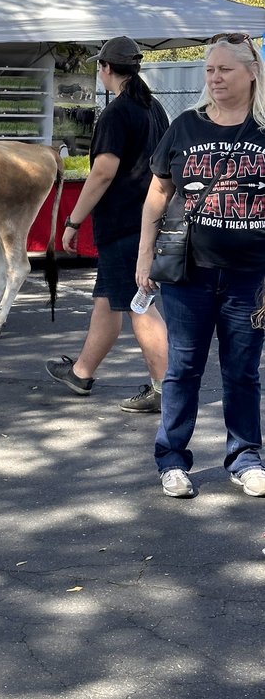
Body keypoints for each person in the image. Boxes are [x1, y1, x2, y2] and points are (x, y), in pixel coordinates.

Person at [136, 33, 265, 498]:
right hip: (189, 272)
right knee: (183, 368)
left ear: (252, 72)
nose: (215, 79)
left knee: (243, 371)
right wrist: (144, 254)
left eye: (225, 70)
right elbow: (158, 192)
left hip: (252, 275)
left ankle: (245, 457)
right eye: (210, 71)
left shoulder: (264, 130)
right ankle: (171, 459)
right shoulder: (186, 127)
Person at [45, 36, 169, 411]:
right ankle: (81, 373)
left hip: (123, 224)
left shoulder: (117, 113)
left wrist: (72, 220)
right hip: (146, 219)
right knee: (109, 300)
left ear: (107, 69)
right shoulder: (155, 109)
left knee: (138, 303)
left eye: (99, 66)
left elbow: (101, 172)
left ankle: (167, 390)